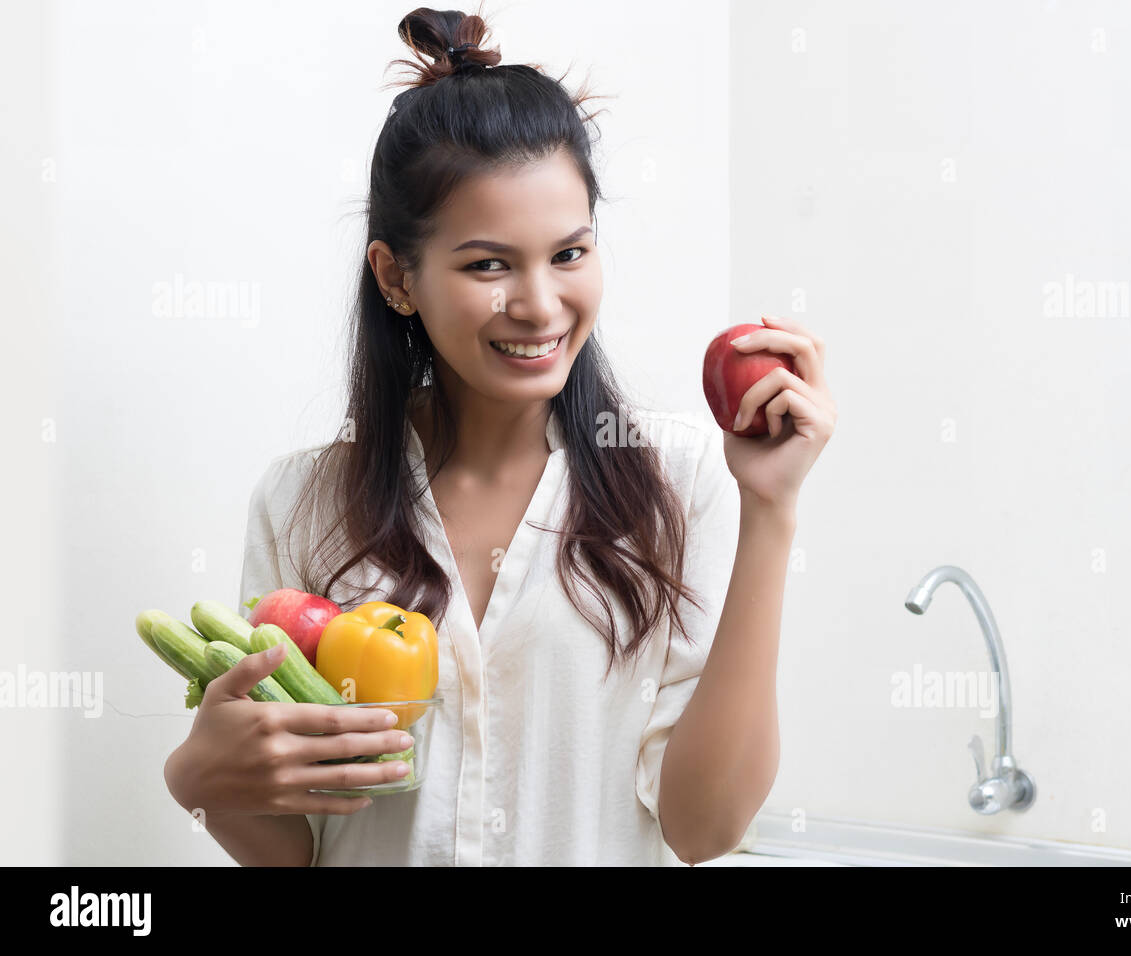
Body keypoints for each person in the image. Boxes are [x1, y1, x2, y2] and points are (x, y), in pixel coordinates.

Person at [162, 4, 836, 866]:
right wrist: (201, 778)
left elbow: (702, 829)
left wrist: (771, 508)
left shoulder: (680, 477)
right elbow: (291, 848)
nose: (541, 305)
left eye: (569, 254)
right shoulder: (301, 503)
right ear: (396, 276)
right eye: (488, 264)